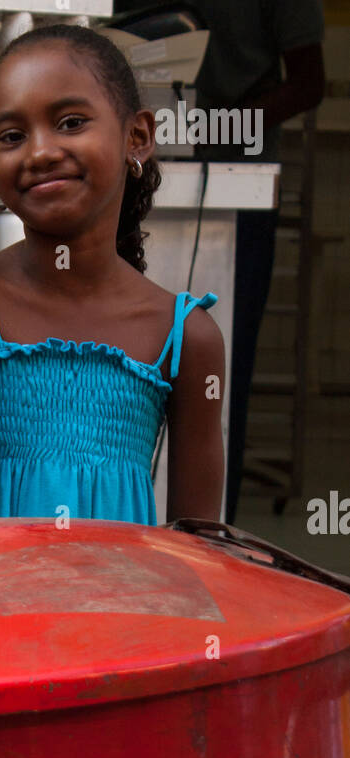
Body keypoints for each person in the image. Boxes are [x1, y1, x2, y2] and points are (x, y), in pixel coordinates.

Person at [0, 22, 225, 526]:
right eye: (12, 136)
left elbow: (200, 543)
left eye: (71, 123)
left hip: (119, 582)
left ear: (137, 137)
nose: (40, 152)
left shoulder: (186, 336)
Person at [190, 0, 326, 523]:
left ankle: (214, 527)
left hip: (239, 185)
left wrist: (219, 129)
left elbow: (309, 81)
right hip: (154, 173)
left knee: (226, 367)